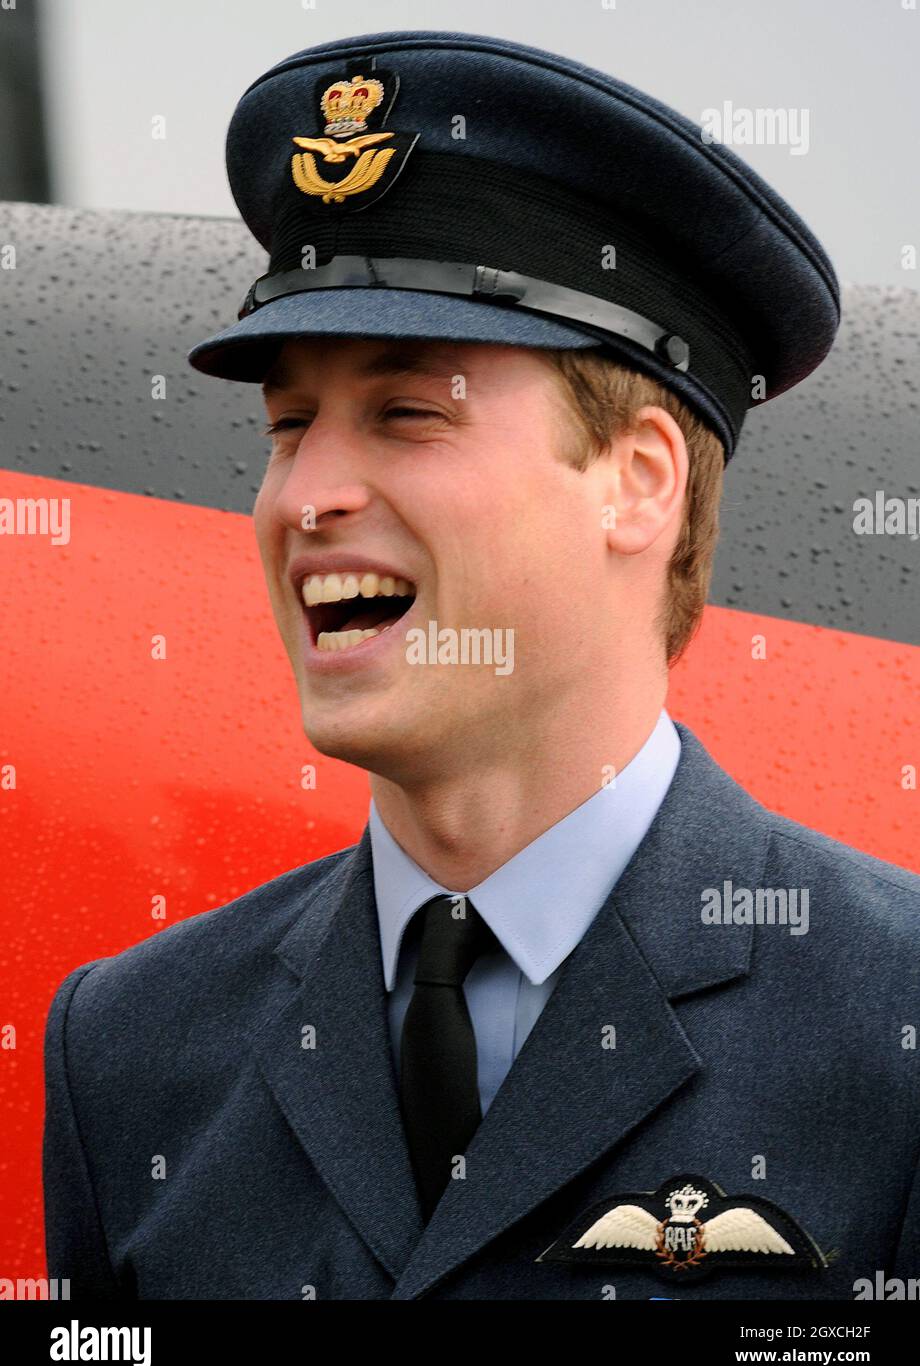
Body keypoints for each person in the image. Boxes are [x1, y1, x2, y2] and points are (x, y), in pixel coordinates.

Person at [43, 30, 919, 1300]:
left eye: (407, 412)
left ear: (638, 482)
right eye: (288, 426)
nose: (307, 496)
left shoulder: (889, 1027)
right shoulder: (126, 1050)